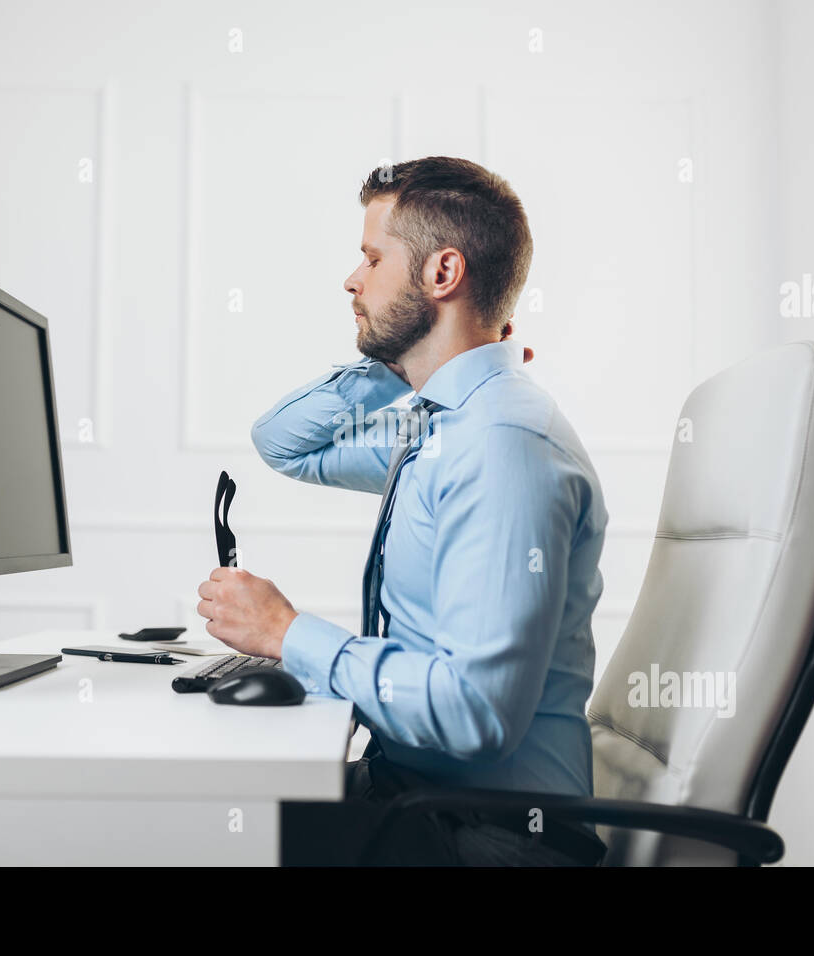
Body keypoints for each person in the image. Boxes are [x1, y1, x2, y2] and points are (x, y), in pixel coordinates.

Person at [195, 156, 608, 865]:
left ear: (441, 274)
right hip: (422, 802)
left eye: (373, 257)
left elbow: (475, 714)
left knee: (190, 842)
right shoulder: (442, 424)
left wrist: (287, 633)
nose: (353, 280)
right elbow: (284, 442)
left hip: (486, 839)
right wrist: (403, 360)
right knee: (197, 824)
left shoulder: (501, 444)